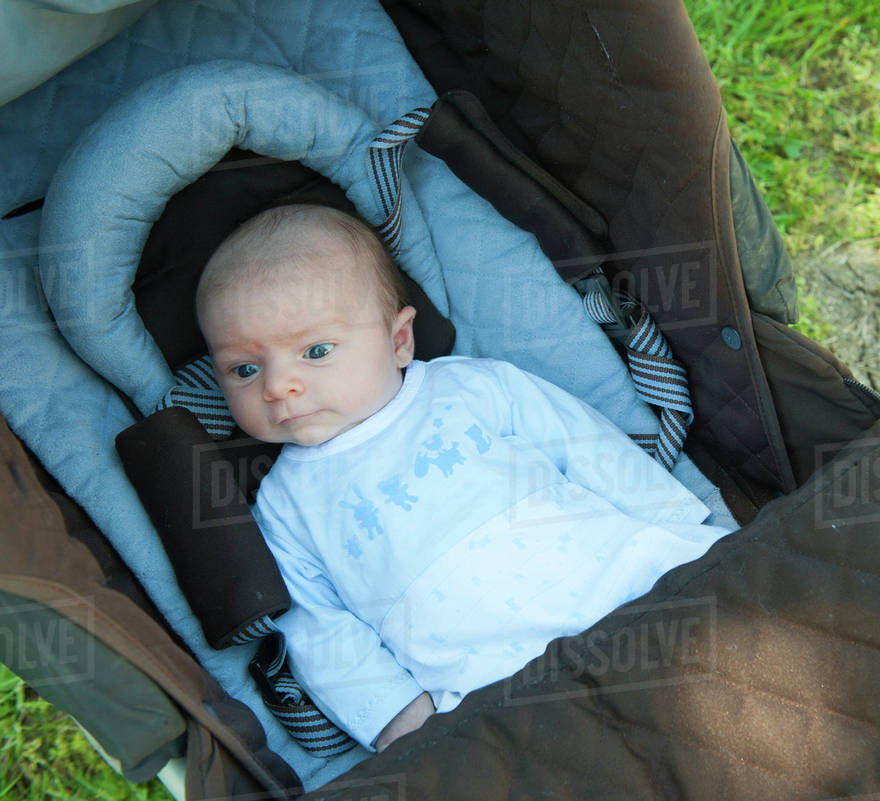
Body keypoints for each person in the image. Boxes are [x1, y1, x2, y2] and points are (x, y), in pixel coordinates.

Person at [196, 203, 729, 752]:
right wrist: (401, 723)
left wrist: (673, 522)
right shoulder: (284, 506)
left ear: (399, 341)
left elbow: (583, 444)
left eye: (316, 351)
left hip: (623, 575)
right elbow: (319, 629)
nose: (279, 385)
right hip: (495, 675)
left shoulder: (469, 387)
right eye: (245, 369)